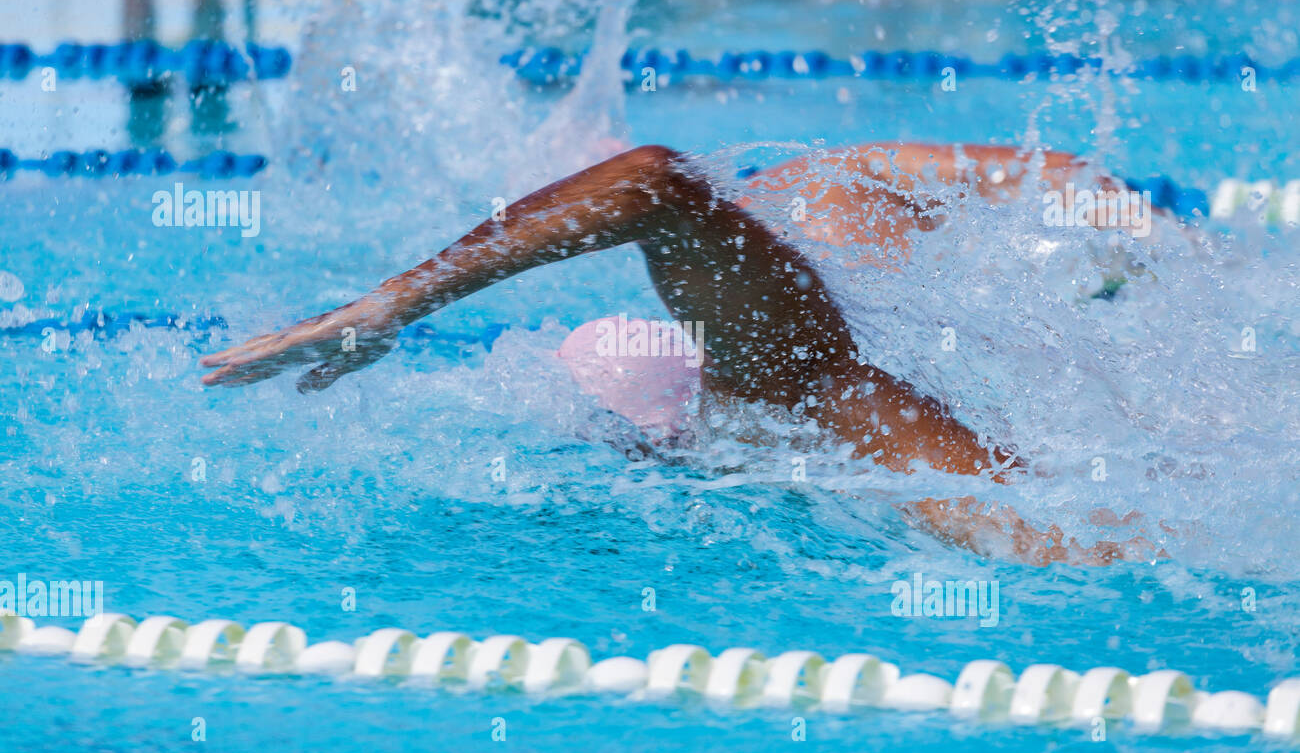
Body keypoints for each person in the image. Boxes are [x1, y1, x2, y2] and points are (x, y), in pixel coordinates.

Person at [200, 142, 1160, 565]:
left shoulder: (778, 384)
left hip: (1095, 545)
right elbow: (1060, 173)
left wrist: (386, 306)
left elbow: (650, 181)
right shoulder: (821, 200)